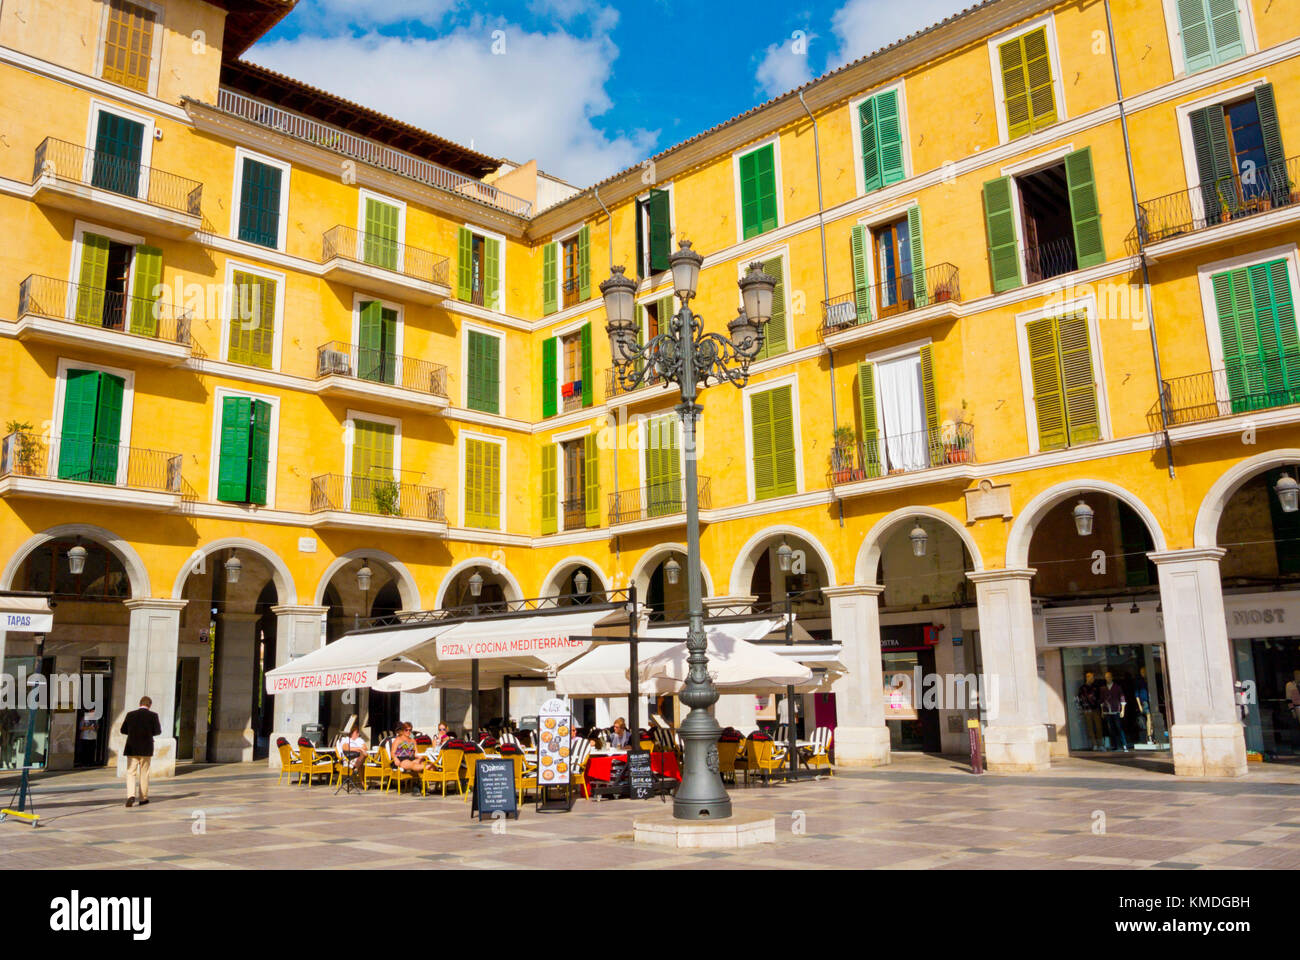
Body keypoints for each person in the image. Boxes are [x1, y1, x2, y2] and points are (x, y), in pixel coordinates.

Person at [120, 696, 161, 808]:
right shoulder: (153, 715)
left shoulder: (130, 714)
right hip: (146, 748)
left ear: (140, 703)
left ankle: (130, 795)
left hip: (132, 747)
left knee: (131, 773)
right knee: (144, 773)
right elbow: (157, 731)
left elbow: (123, 730)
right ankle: (143, 798)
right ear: (149, 705)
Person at [1100, 671, 1128, 752]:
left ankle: (1124, 744)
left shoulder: (1117, 687)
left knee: (1119, 727)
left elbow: (1122, 699)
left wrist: (1122, 710)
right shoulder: (1103, 689)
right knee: (1111, 729)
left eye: (1108, 676)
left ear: (1111, 677)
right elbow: (1101, 701)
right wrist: (1102, 711)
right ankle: (1115, 745)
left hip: (1116, 710)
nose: (1107, 678)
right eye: (1106, 677)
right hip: (1107, 712)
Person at [1076, 671, 1104, 750]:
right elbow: (1080, 699)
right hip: (1087, 710)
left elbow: (1099, 698)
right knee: (1090, 727)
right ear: (1087, 678)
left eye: (1093, 677)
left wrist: (1098, 706)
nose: (1093, 679)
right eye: (1091, 678)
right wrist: (1083, 708)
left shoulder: (1095, 687)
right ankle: (1094, 744)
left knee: (1099, 727)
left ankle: (1100, 744)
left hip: (1095, 709)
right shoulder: (1082, 688)